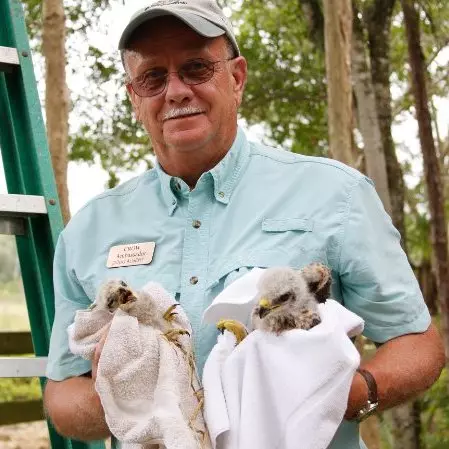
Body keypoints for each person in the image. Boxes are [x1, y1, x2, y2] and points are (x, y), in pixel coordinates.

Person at [44, 1, 445, 448]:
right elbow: (62, 394)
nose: (175, 91)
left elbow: (418, 345)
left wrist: (344, 396)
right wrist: (122, 399)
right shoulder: (89, 230)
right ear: (134, 97)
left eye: (196, 68)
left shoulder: (335, 194)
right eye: (153, 77)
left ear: (236, 78)